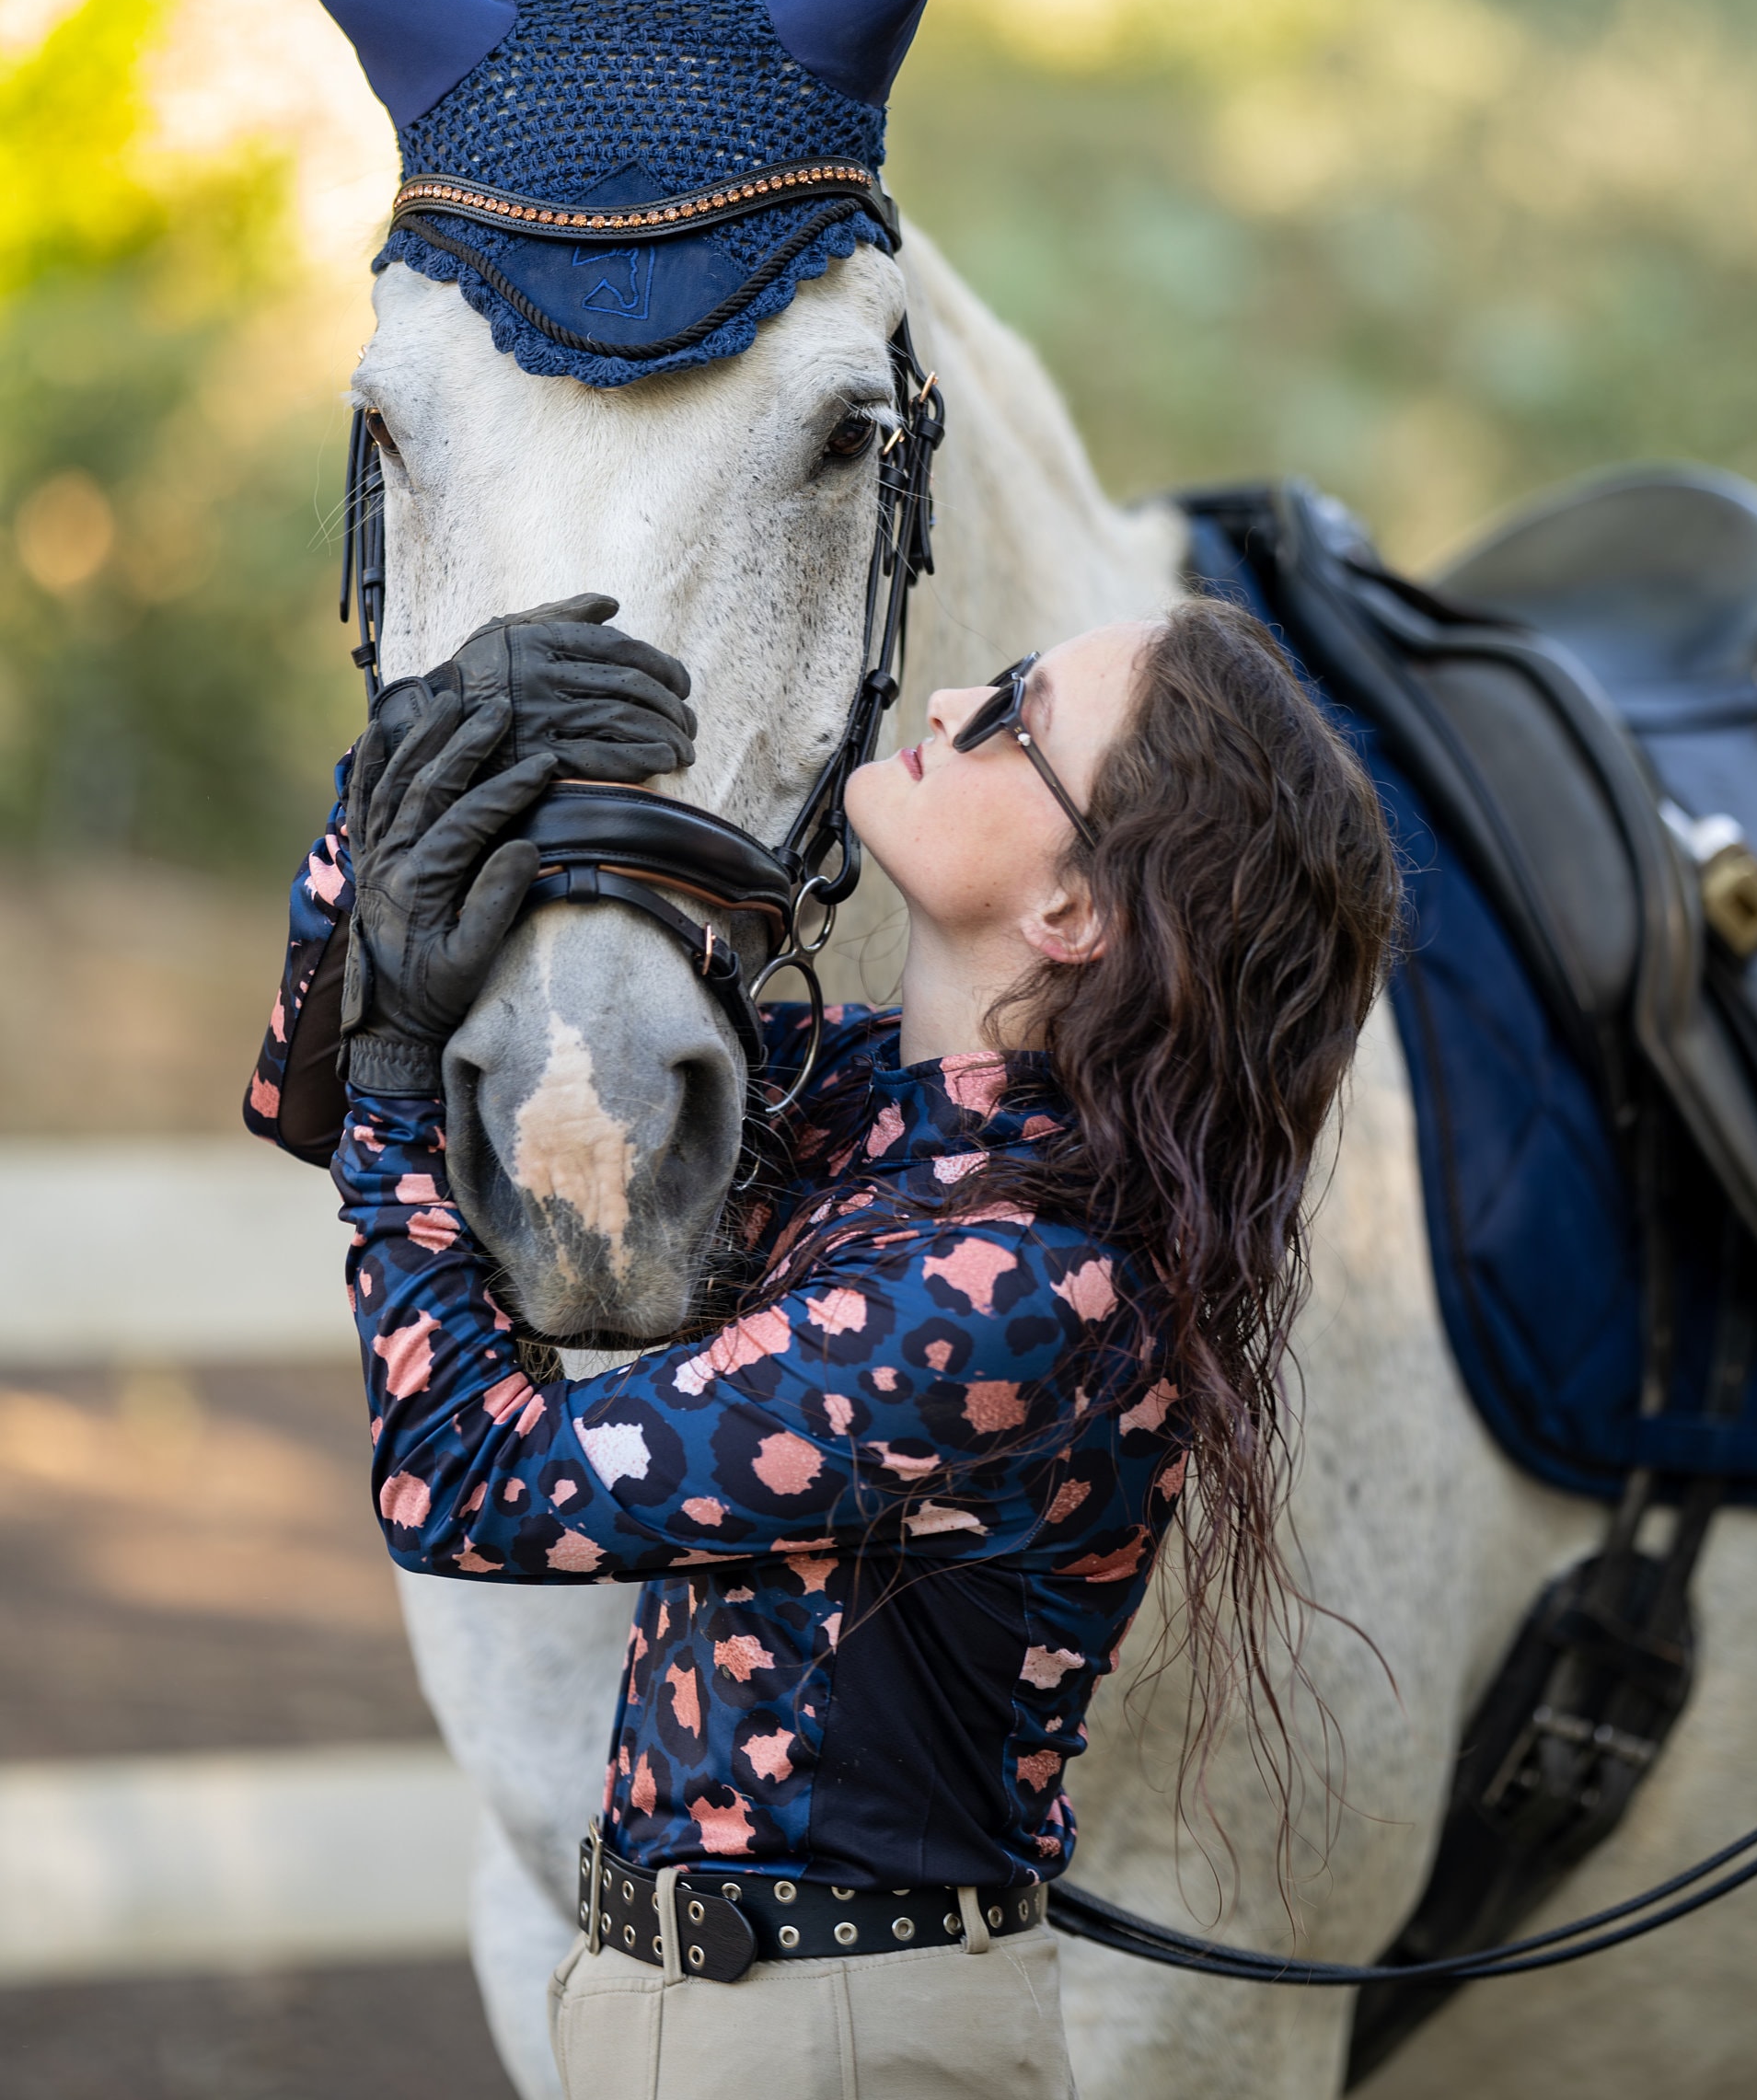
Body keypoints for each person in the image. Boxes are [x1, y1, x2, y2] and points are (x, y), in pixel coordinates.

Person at [310, 599, 1398, 2100]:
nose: (951, 698)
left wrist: (384, 1079)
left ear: (1074, 912)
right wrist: (397, 782)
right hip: (704, 2005)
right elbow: (316, 1103)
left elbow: (470, 1483)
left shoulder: (1027, 1289)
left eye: (1016, 713)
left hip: (826, 2035)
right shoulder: (882, 1123)